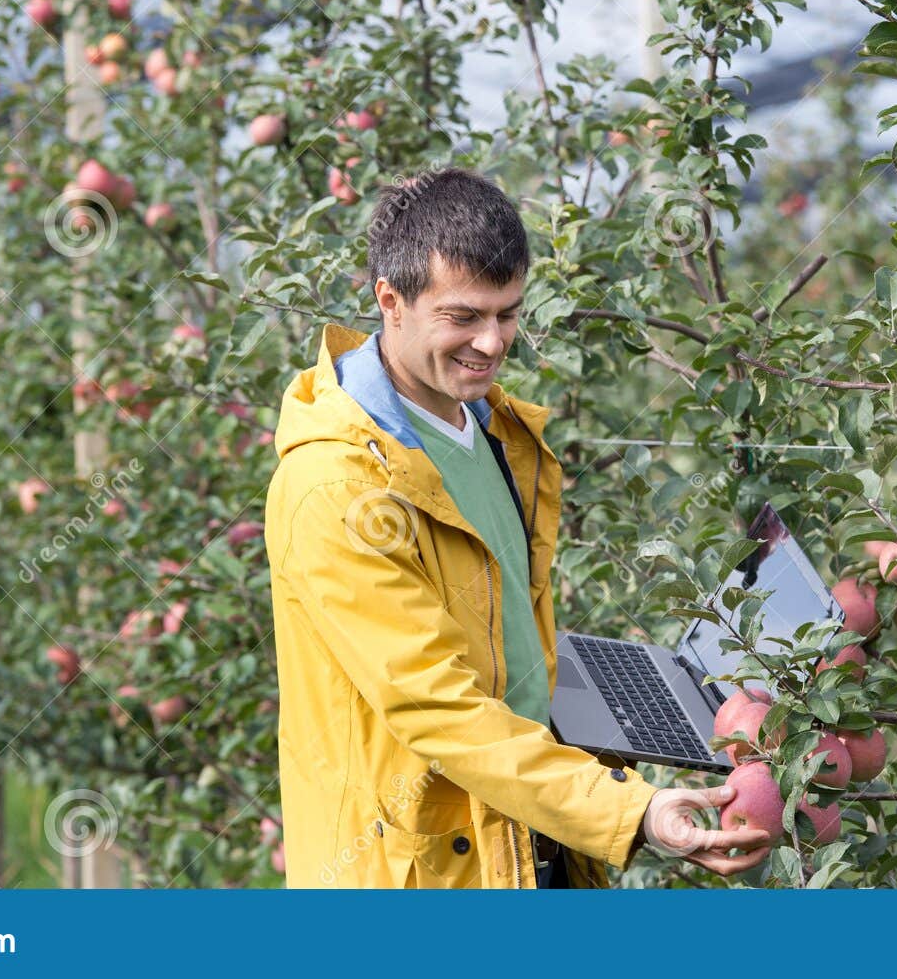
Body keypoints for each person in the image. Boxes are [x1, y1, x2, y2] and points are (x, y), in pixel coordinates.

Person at [264, 167, 773, 888]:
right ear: (391, 301)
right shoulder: (338, 490)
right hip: (429, 871)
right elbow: (442, 710)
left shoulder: (491, 427)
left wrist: (620, 706)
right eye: (464, 316)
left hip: (531, 831)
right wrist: (631, 813)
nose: (492, 341)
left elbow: (502, 636)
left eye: (508, 313)